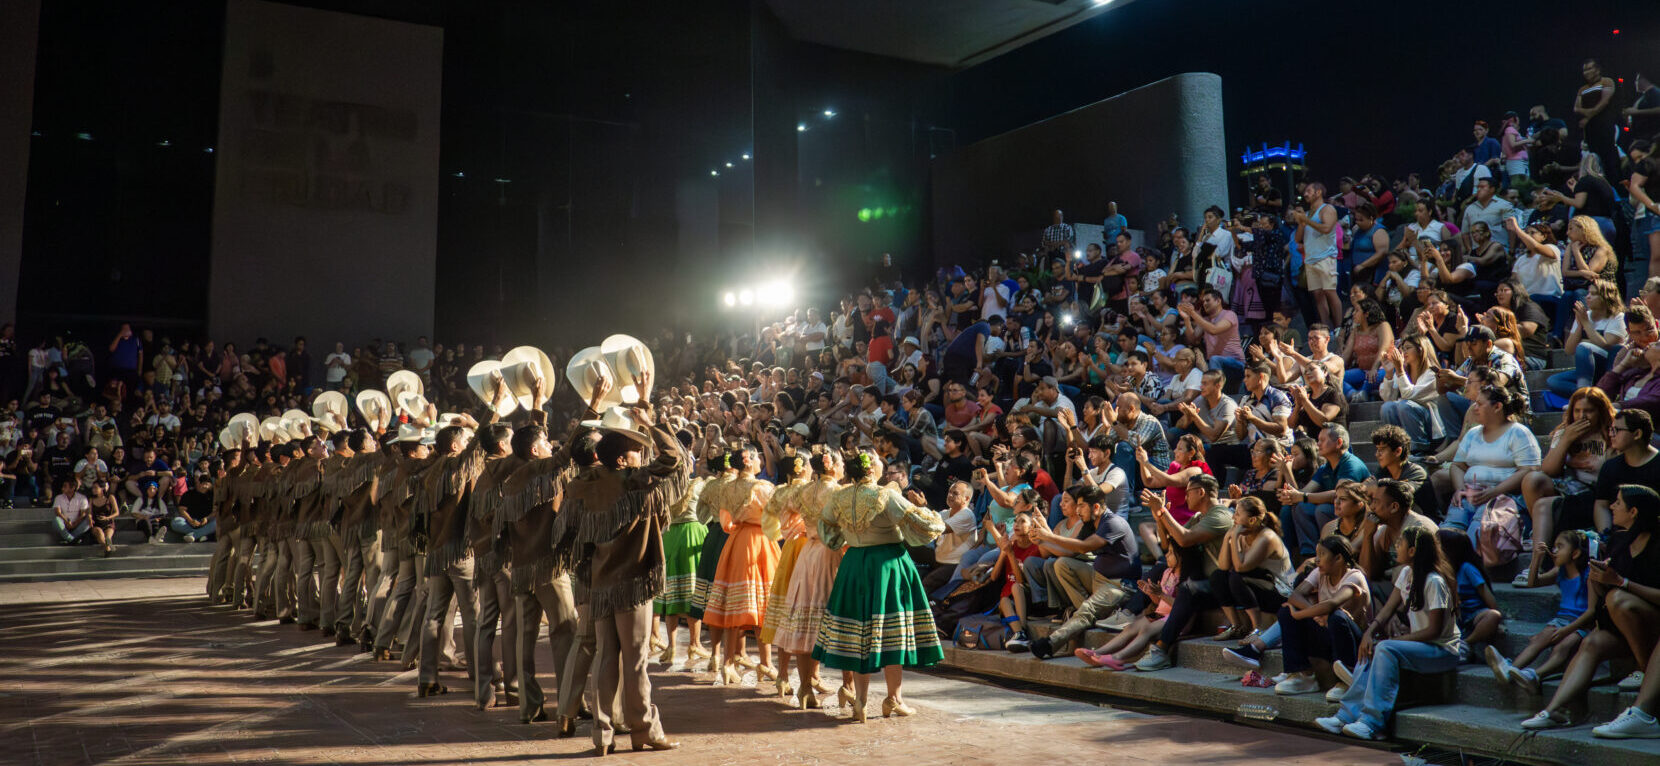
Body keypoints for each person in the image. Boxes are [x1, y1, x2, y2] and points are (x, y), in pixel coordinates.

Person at [550, 403, 685, 754]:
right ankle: (644, 731)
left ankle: (603, 734)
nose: (641, 457)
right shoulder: (633, 482)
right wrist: (652, 423)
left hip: (598, 583)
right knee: (635, 659)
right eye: (636, 452)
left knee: (606, 658)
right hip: (633, 583)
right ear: (623, 461)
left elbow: (566, 536)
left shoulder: (583, 485)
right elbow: (674, 460)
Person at [812, 449, 945, 722]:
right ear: (872, 470)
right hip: (887, 565)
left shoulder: (839, 496)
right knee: (890, 632)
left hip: (854, 564)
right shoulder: (885, 495)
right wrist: (928, 510)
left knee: (860, 634)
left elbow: (826, 528)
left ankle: (860, 700)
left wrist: (845, 538)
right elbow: (922, 525)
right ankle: (893, 699)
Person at [1522, 485, 1660, 731]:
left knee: (1619, 598)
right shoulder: (1620, 538)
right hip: (1621, 626)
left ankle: (1643, 670)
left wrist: (1621, 582)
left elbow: (1622, 587)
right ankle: (1554, 710)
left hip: (1651, 623)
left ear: (1634, 511)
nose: (1612, 506)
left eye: (1618, 503)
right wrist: (1597, 578)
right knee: (1591, 643)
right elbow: (1602, 593)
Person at [1316, 526, 1464, 741]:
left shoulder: (1434, 582)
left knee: (1385, 647)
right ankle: (1344, 717)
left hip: (1442, 651)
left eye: (1400, 544)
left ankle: (1370, 723)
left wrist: (1394, 641)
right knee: (1373, 647)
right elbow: (1388, 609)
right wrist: (1370, 632)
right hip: (1421, 646)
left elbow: (1433, 631)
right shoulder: (1406, 573)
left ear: (1412, 551)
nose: (1396, 548)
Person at [1027, 484, 1140, 659]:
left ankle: (1050, 644)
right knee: (1062, 563)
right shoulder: (1092, 522)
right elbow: (1068, 550)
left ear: (1095, 507)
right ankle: (1085, 614)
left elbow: (1084, 547)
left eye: (1081, 506)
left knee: (1086, 610)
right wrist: (1042, 536)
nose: (1078, 511)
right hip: (1098, 578)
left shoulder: (1112, 522)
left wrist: (1047, 536)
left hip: (1120, 586)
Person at [702, 446, 780, 685]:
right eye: (758, 459)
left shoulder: (727, 487)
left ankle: (728, 662)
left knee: (737, 603)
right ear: (749, 462)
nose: (760, 463)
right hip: (759, 542)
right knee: (761, 603)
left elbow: (725, 521)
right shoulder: (762, 487)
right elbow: (775, 518)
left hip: (736, 541)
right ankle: (765, 662)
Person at [1518, 389, 1612, 584]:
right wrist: (1566, 439)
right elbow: (1549, 470)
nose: (1582, 416)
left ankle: (1544, 560)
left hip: (1599, 493)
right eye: (1577, 411)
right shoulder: (1565, 430)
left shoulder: (1610, 432)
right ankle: (1541, 556)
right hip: (1569, 488)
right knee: (1532, 479)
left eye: (1589, 411)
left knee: (1544, 505)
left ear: (1600, 411)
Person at [1487, 530, 1592, 696]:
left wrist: (1567, 630)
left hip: (1582, 623)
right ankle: (1510, 670)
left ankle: (1535, 675)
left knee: (1562, 648)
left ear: (1576, 553)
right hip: (1561, 619)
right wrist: (1536, 558)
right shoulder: (1560, 572)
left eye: (1560, 547)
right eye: (1554, 546)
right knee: (1538, 640)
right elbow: (1533, 583)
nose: (1555, 550)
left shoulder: (1589, 576)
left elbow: (1592, 612)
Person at [1273, 536, 1371, 700]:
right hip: (1328, 637)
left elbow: (1332, 604)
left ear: (1338, 558)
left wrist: (1302, 614)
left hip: (1355, 642)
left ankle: (1345, 679)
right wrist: (1315, 612)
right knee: (1286, 612)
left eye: (1322, 554)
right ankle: (1303, 676)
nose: (1317, 559)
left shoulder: (1354, 576)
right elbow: (1295, 594)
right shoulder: (1320, 573)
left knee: (1336, 616)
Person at [1438, 386, 1542, 541]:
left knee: (1477, 534)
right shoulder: (1473, 433)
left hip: (1502, 500)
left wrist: (1494, 491)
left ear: (1497, 407)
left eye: (1480, 404)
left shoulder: (1518, 432)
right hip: (1469, 497)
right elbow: (1457, 465)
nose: (1474, 408)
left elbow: (1528, 470)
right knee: (1447, 534)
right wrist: (1460, 489)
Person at [1074, 546, 1179, 670]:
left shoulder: (1184, 579)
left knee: (1146, 630)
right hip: (1158, 614)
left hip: (1173, 617)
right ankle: (1098, 652)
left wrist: (1161, 594)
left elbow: (1180, 606)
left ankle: (1117, 658)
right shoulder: (1167, 572)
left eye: (1171, 553)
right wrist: (1151, 592)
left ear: (1181, 558)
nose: (1166, 555)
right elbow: (1159, 602)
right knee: (1130, 627)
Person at [1278, 424, 1370, 558]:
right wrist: (1290, 490)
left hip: (1355, 514)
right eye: (1318, 440)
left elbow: (1339, 494)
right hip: (1335, 508)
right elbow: (1304, 492)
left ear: (1338, 442)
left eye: (1322, 440)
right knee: (1296, 507)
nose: (1317, 444)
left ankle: (1333, 549)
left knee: (1322, 509)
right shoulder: (1325, 467)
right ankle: (1307, 553)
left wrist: (1301, 496)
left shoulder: (1351, 464)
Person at [1548, 280, 1627, 397]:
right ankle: (1590, 395)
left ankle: (1583, 394)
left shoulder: (1618, 317)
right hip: (1585, 369)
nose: (1588, 297)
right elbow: (1569, 350)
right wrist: (1580, 325)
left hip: (1607, 368)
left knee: (1583, 346)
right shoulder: (1585, 315)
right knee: (1553, 381)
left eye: (1594, 294)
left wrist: (1586, 325)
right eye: (1588, 293)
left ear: (1606, 297)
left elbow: (1607, 346)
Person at [1293, 182, 1342, 328]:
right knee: (1318, 296)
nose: (1305, 194)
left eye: (1309, 191)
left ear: (1318, 192)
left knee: (1330, 293)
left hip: (1326, 257)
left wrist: (1306, 220)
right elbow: (1297, 238)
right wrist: (1301, 223)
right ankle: (1325, 328)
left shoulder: (1327, 209)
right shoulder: (1307, 214)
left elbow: (1327, 228)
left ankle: (1339, 328)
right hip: (1311, 259)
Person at [172, 475, 217, 543]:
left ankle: (194, 535)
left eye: (206, 483)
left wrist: (207, 518)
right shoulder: (189, 494)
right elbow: (182, 509)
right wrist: (190, 520)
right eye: (202, 483)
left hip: (206, 522)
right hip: (190, 521)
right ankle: (200, 534)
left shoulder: (214, 495)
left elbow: (216, 511)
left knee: (217, 522)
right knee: (175, 521)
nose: (204, 486)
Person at [51, 478, 90, 544]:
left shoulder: (82, 498)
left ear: (73, 488)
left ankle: (69, 539)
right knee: (56, 520)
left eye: (65, 486)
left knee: (88, 521)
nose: (62, 488)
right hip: (64, 524)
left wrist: (74, 524)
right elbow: (58, 512)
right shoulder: (58, 497)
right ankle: (71, 539)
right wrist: (66, 522)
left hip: (76, 525)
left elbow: (83, 514)